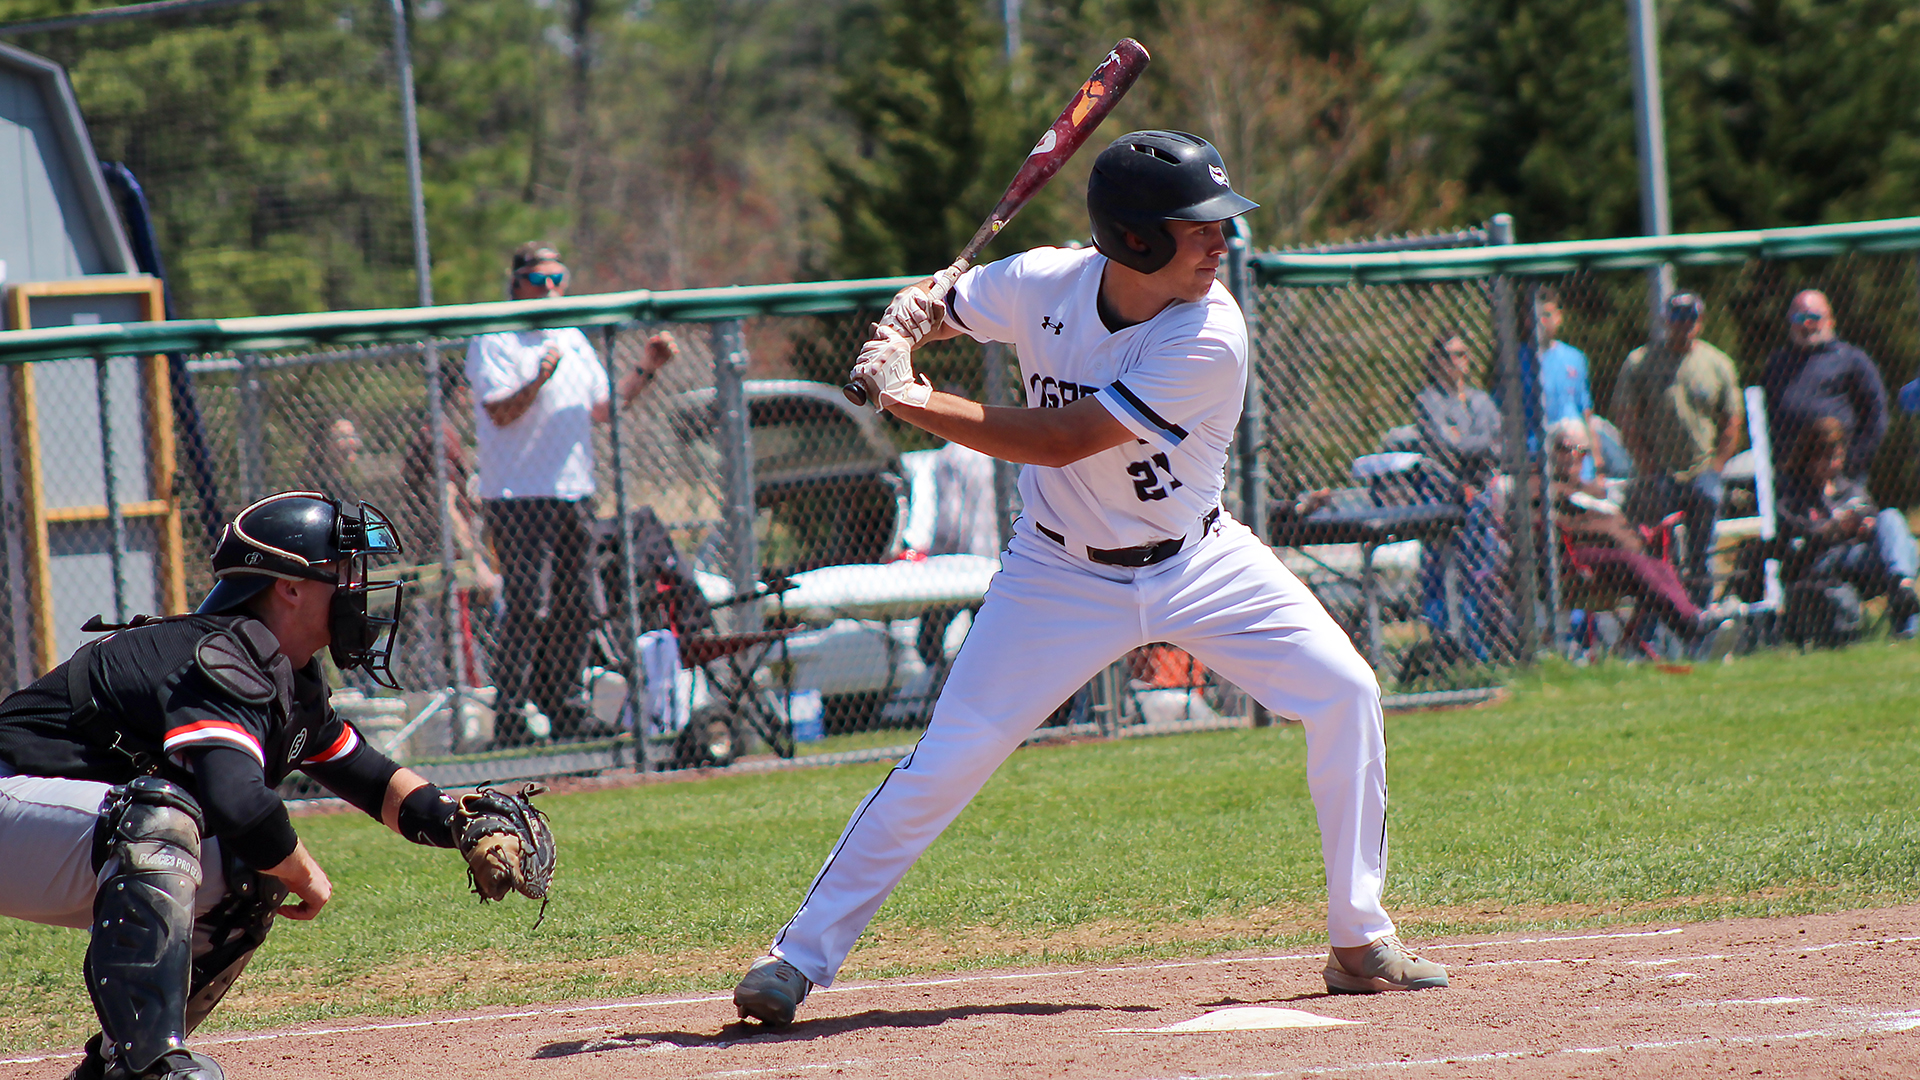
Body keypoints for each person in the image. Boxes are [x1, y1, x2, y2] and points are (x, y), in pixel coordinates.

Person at [730, 130, 1446, 1028]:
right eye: (1199, 227)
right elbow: (960, 301)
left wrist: (910, 396)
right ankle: (797, 957)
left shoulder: (1211, 332)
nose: (1221, 243)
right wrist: (921, 312)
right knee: (944, 763)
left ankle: (1357, 935)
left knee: (1346, 693)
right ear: (1137, 239)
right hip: (1057, 572)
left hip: (1199, 561)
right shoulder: (1042, 279)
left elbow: (1060, 439)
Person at [0, 492, 481, 1080]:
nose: (360, 589)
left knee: (245, 872)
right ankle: (148, 1062)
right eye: (344, 572)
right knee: (168, 822)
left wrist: (461, 821)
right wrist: (306, 873)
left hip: (37, 829)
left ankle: (119, 1064)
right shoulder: (221, 658)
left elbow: (370, 775)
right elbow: (238, 802)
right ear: (290, 587)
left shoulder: (284, 675)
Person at [465, 242, 678, 745]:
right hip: (518, 496)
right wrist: (539, 376)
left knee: (577, 604)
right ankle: (512, 714)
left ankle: (566, 706)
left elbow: (604, 409)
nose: (552, 289)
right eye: (539, 281)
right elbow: (499, 412)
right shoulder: (496, 338)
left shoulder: (573, 336)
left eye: (559, 277)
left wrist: (646, 367)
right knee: (527, 604)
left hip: (573, 493)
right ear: (516, 285)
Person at [1545, 419, 1740, 656]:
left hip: (1613, 560)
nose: (1574, 457)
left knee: (1657, 565)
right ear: (1551, 450)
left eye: (1582, 451)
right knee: (1634, 561)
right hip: (1571, 561)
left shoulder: (1593, 490)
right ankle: (1694, 627)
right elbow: (1558, 525)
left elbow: (1619, 523)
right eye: (1566, 448)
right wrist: (1611, 531)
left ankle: (1694, 625)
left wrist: (1635, 536)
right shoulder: (1545, 489)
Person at [1611, 292, 1744, 606]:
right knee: (1659, 553)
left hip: (1702, 470)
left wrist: (1717, 466)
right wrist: (1648, 467)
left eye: (1690, 319)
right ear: (1665, 321)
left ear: (1700, 322)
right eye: (1678, 319)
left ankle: (1699, 613)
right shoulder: (1641, 362)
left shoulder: (1717, 363)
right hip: (1661, 471)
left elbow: (1732, 420)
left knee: (1702, 550)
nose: (1684, 326)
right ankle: (1664, 614)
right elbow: (1626, 419)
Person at [1413, 331, 1509, 660]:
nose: (1455, 362)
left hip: (1479, 495)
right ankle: (1448, 650)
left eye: (1461, 354)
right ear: (1435, 362)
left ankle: (1482, 651)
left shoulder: (1481, 400)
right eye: (1448, 355)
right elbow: (1445, 446)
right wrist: (1476, 444)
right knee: (1443, 575)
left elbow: (1495, 443)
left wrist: (1466, 443)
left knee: (1482, 573)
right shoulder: (1429, 401)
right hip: (1444, 499)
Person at [1775, 418, 1919, 637]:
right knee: (1908, 549)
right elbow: (1796, 536)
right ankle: (1906, 614)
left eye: (1837, 457)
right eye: (1825, 458)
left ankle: (1903, 591)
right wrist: (1835, 530)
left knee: (1891, 519)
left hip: (1860, 559)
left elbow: (1873, 517)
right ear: (1809, 457)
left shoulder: (1850, 489)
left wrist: (1866, 527)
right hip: (1823, 562)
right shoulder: (1793, 495)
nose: (1832, 464)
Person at [1760, 290, 1888, 483]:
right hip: (1790, 474)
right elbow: (1763, 414)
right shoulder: (1777, 363)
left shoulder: (1851, 360)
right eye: (1799, 317)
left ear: (1830, 320)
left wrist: (1852, 461)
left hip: (1839, 474)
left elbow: (1876, 415)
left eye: (1813, 317)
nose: (1806, 324)